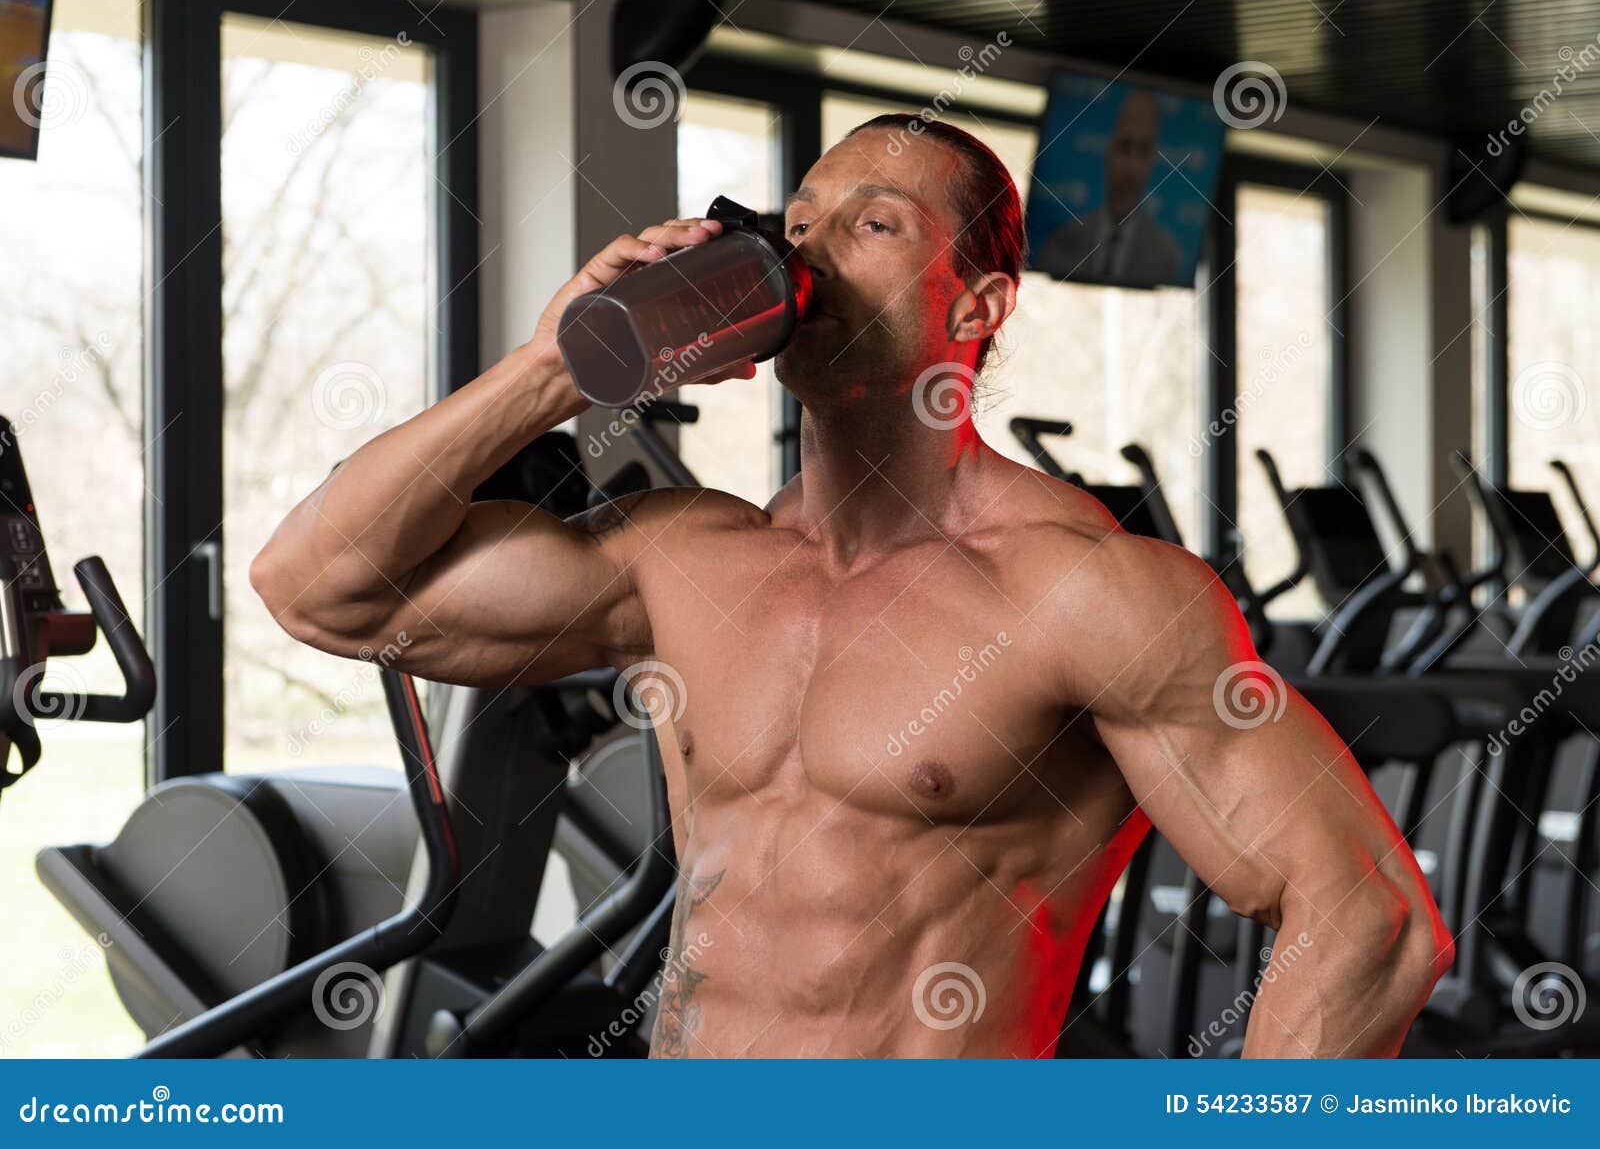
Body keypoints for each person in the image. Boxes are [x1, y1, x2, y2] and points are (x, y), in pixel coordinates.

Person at [251, 112, 1452, 1058]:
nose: (810, 252)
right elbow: (318, 589)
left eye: (872, 225)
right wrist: (552, 366)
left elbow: (1371, 919)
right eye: (798, 223)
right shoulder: (683, 558)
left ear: (977, 304)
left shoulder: (1083, 594)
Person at [1035, 90, 1182, 286]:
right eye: (1124, 147)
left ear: (1153, 161)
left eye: (1143, 150)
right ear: (1108, 150)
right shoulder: (1061, 240)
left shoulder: (1167, 256)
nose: (1131, 167)